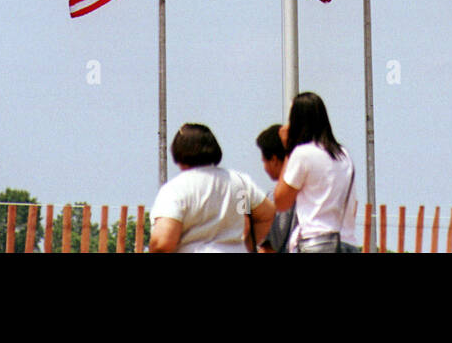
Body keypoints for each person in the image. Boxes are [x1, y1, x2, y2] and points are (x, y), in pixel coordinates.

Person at [148, 122, 276, 253]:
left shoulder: (175, 189)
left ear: (178, 153)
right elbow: (266, 215)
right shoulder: (239, 183)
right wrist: (245, 247)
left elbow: (162, 243)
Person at [273, 92, 358, 253]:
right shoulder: (344, 155)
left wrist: (288, 149)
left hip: (317, 242)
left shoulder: (302, 153)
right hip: (347, 242)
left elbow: (281, 201)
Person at [254, 123, 297, 253]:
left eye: (264, 161)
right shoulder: (308, 191)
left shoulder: (274, 198)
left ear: (274, 160)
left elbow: (268, 248)